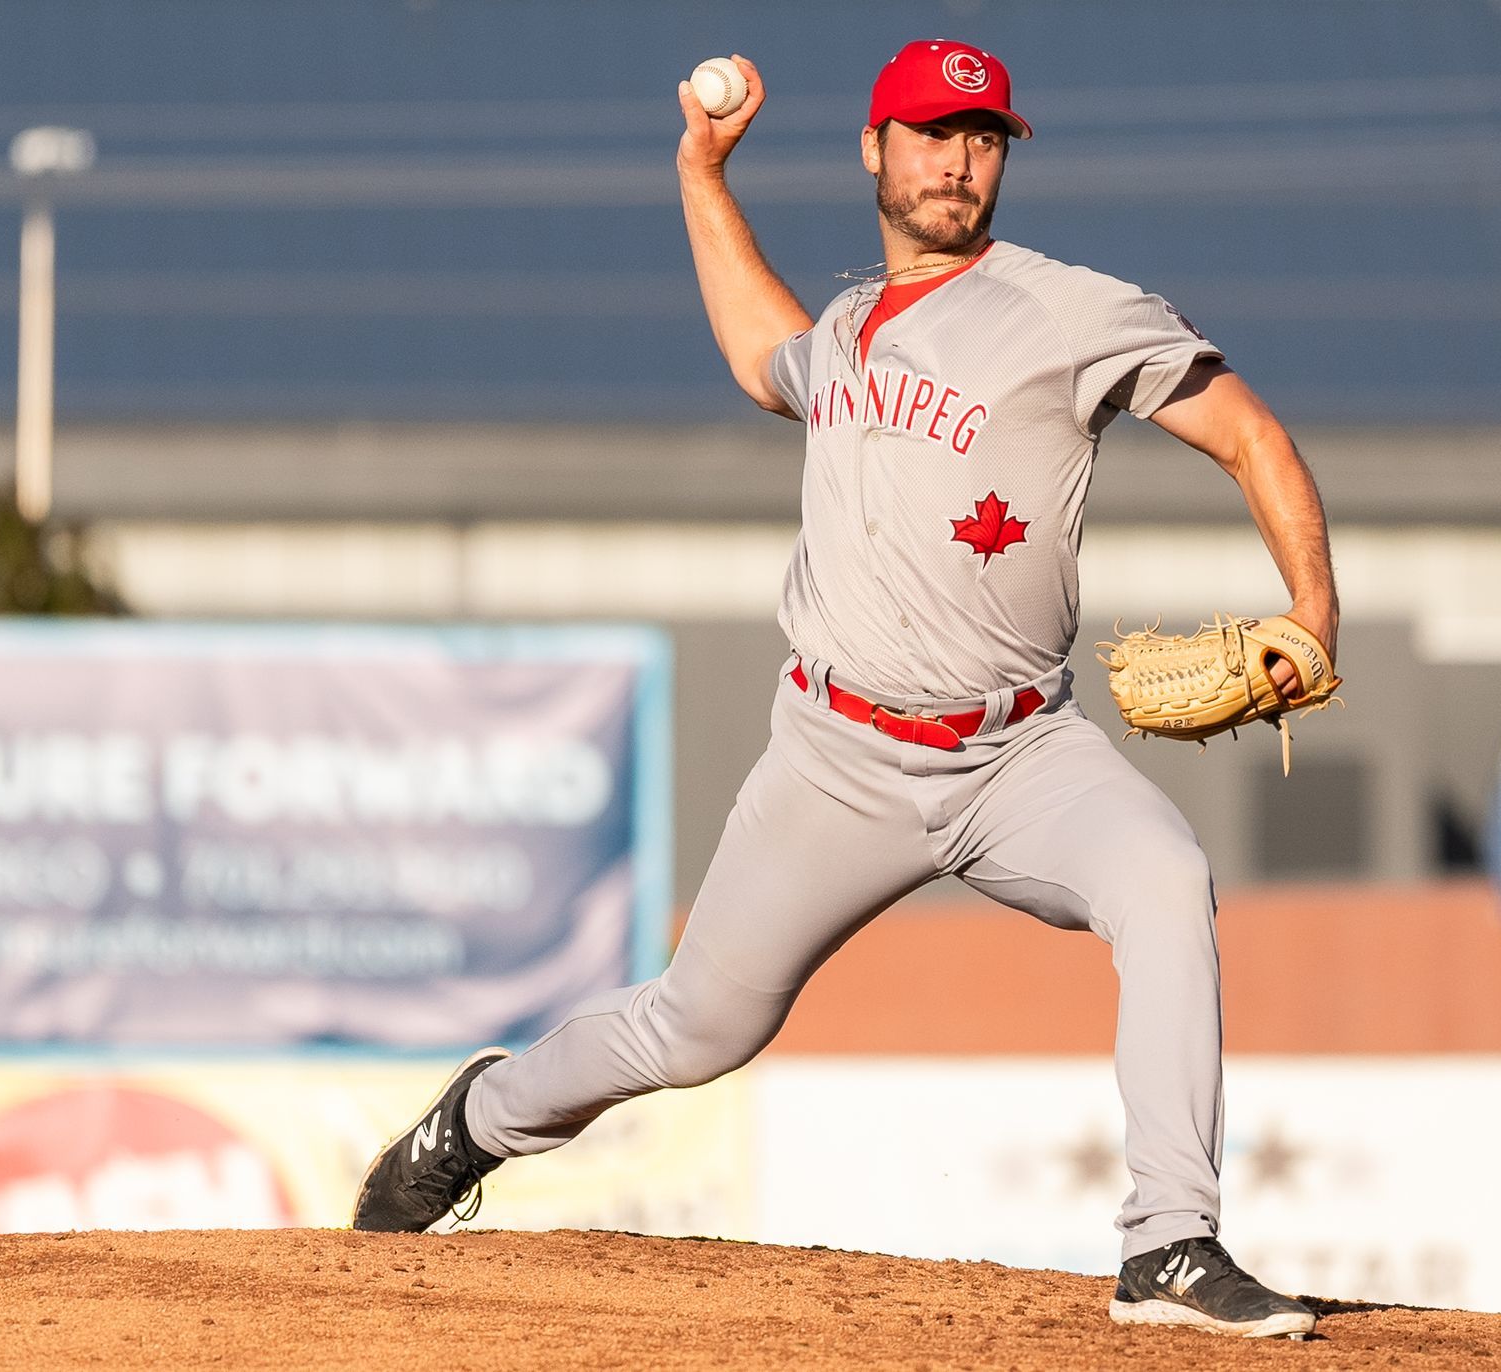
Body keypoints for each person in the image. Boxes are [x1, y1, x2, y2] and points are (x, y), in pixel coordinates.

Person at [354, 38, 1338, 1341]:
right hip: (835, 759)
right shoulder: (846, 335)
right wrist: (702, 173)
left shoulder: (1073, 313)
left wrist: (1313, 611)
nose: (959, 160)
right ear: (875, 150)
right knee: (691, 1030)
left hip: (1020, 757)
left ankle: (1168, 1243)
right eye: (932, 133)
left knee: (1164, 880)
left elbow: (1253, 434)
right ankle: (478, 1120)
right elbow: (762, 347)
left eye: (983, 137)